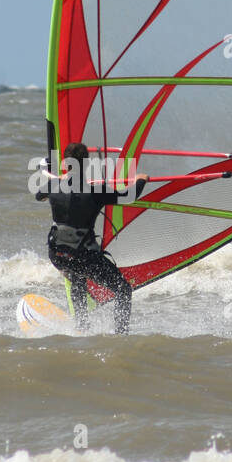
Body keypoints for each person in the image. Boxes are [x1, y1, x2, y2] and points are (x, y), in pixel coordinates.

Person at [35, 142, 148, 334]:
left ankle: (81, 327)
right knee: (123, 290)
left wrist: (61, 179)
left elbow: (40, 196)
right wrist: (141, 179)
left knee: (77, 276)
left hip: (57, 254)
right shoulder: (97, 192)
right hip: (82, 256)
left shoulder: (53, 185)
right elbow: (130, 195)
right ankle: (121, 335)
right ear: (86, 165)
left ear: (65, 163)